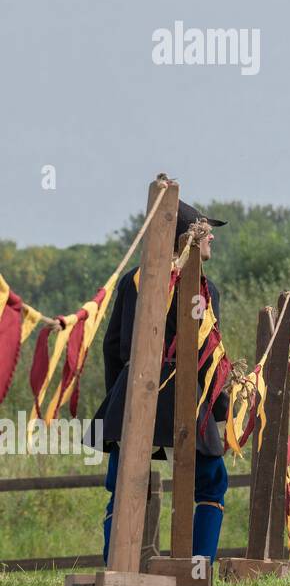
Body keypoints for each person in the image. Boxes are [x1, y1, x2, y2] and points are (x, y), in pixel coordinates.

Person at [92, 201, 229, 566]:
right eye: (205, 231)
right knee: (212, 484)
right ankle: (198, 569)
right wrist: (222, 411)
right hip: (184, 394)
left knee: (121, 485)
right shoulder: (202, 288)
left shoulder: (134, 279)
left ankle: (115, 567)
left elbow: (113, 348)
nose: (212, 235)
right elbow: (206, 354)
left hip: (132, 391)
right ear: (188, 238)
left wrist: (118, 400)